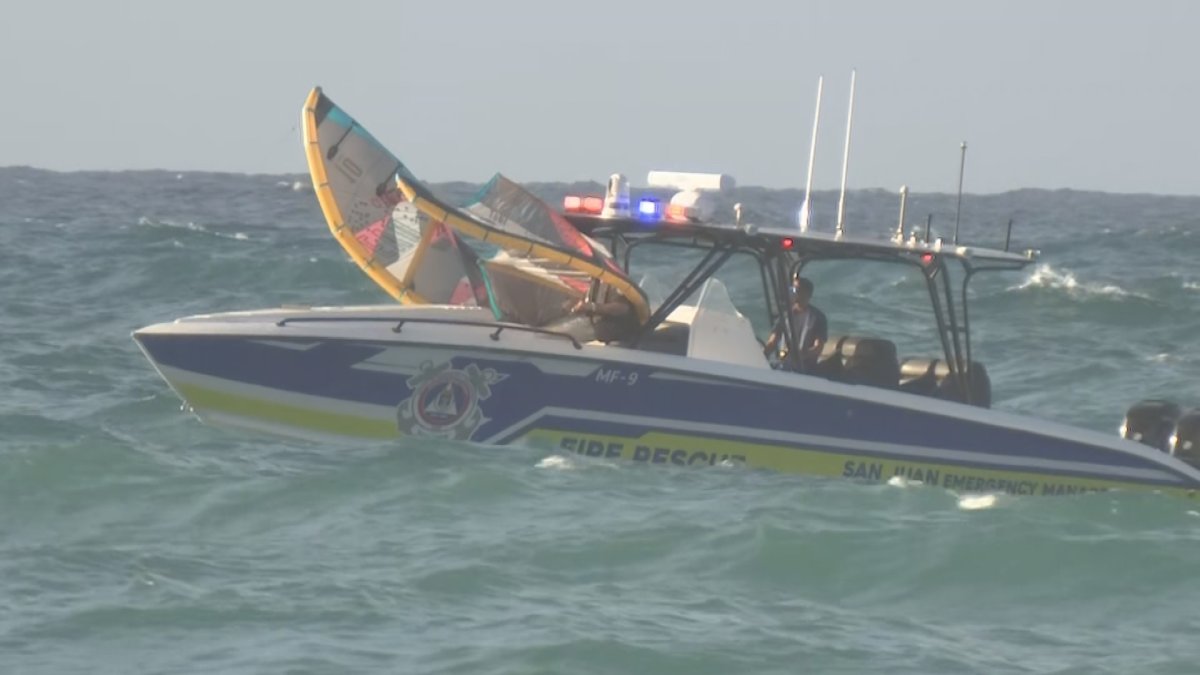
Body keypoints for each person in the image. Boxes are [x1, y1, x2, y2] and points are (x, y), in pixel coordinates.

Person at [764, 274, 828, 371]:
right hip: (783, 363)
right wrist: (762, 355)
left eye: (797, 289)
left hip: (805, 367)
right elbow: (773, 341)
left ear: (808, 294)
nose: (794, 292)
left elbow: (817, 348)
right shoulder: (785, 315)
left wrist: (800, 354)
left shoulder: (818, 317)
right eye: (792, 289)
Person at [569, 281, 640, 343]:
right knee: (561, 334)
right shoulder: (596, 280)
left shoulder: (615, 281)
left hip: (618, 338)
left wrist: (593, 307)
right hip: (595, 328)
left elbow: (622, 308)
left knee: (566, 336)